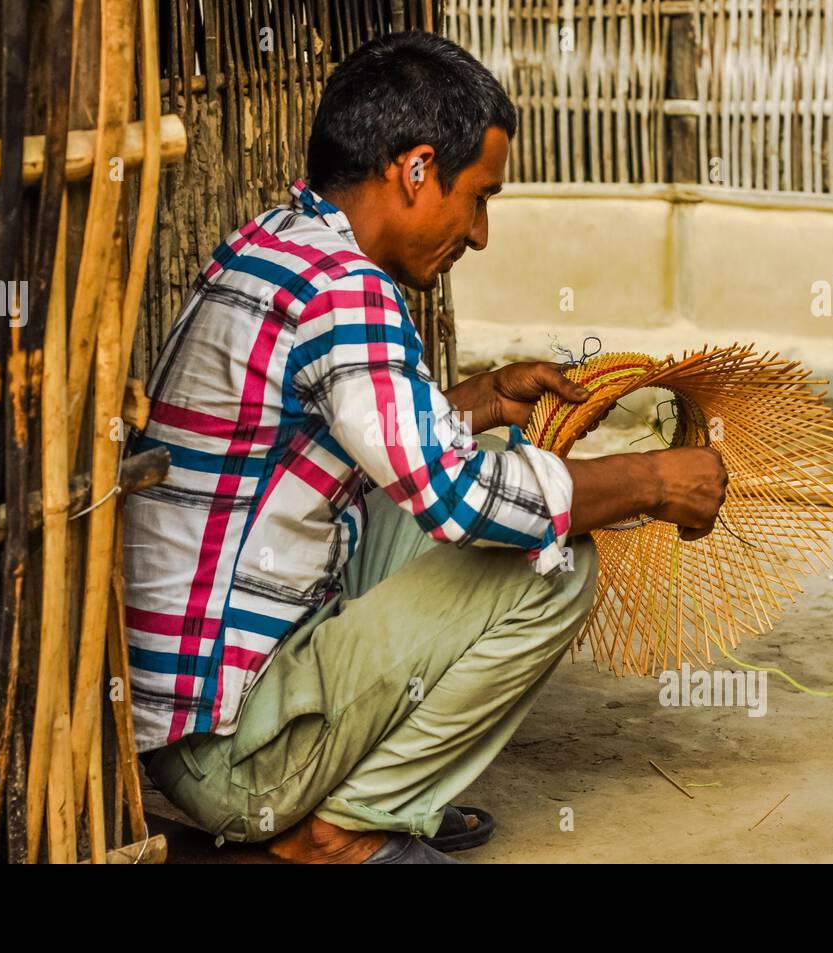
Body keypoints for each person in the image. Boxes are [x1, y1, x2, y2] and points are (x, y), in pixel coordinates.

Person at [125, 31, 727, 864]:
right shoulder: (348, 290)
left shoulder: (279, 241)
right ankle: (349, 826)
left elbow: (345, 445)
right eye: (478, 197)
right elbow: (453, 498)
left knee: (494, 464)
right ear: (414, 170)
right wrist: (651, 479)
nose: (480, 232)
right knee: (552, 559)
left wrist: (477, 401)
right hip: (234, 756)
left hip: (192, 720)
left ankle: (346, 799)